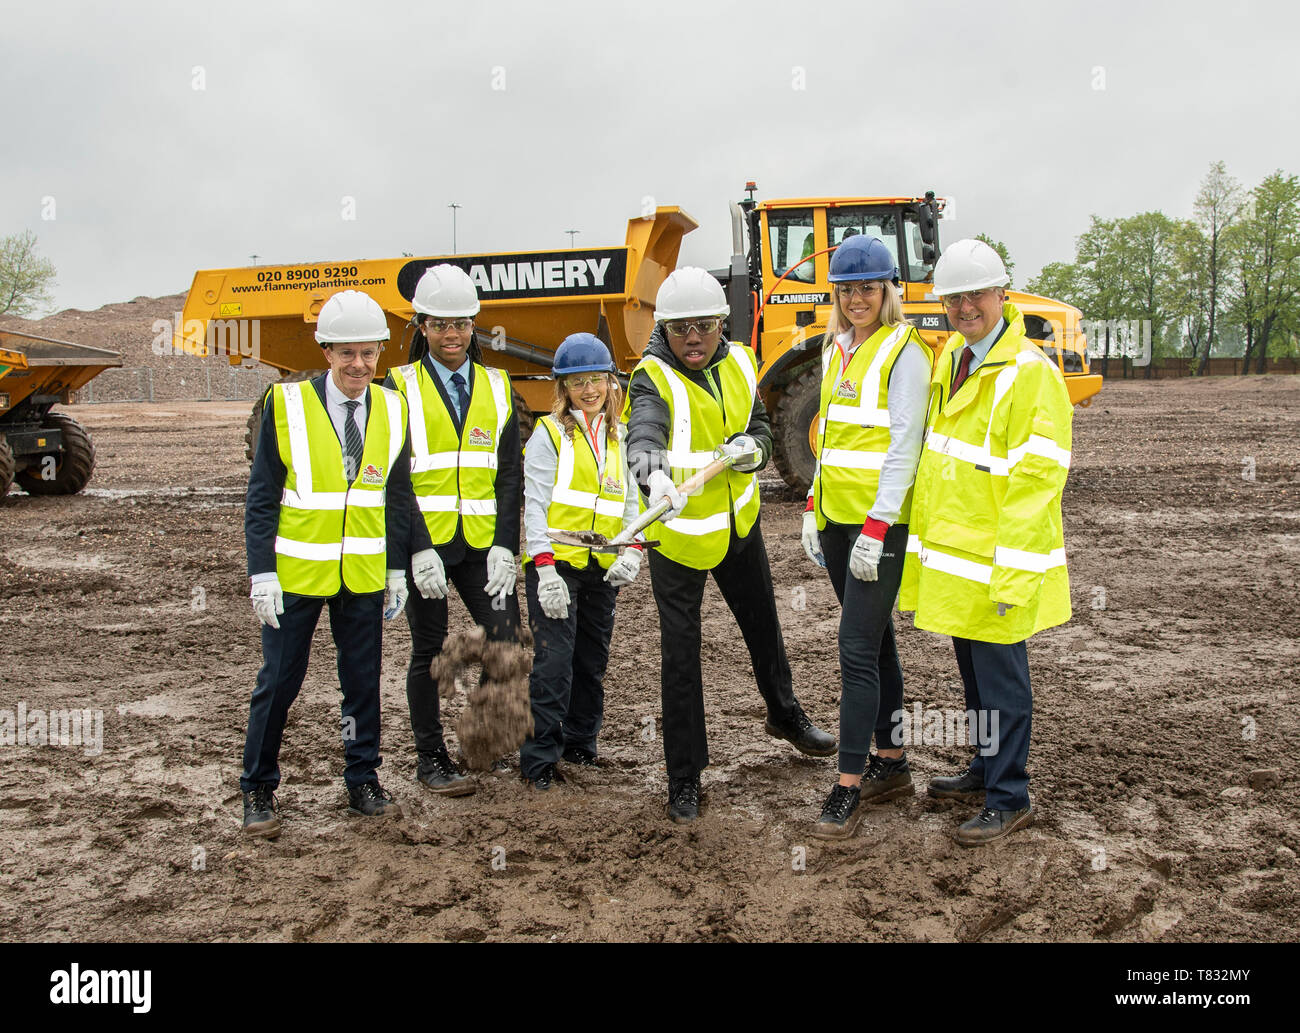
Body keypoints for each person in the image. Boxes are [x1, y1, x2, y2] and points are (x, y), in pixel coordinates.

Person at [625, 267, 836, 824]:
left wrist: (753, 449)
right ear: (663, 330)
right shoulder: (651, 377)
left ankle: (784, 715)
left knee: (764, 627)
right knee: (681, 657)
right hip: (680, 538)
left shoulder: (742, 361)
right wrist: (653, 475)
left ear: (721, 323)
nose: (693, 338)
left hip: (739, 527)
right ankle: (685, 775)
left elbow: (763, 428)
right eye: (680, 328)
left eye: (704, 325)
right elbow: (643, 433)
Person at [898, 238, 1074, 846]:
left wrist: (1015, 572)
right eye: (954, 297)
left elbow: (1037, 481)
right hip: (958, 556)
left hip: (1001, 559)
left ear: (1002, 294)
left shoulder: (1030, 373)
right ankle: (983, 768)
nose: (965, 306)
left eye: (976, 294)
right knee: (974, 677)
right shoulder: (954, 357)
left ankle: (1010, 796)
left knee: (1003, 683)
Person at [240, 289, 414, 836]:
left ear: (381, 352)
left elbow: (397, 495)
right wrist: (261, 572)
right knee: (280, 683)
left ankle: (362, 778)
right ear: (326, 352)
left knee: (362, 681)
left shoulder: (392, 405)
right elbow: (263, 496)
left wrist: (396, 568)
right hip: (296, 575)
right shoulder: (285, 405)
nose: (359, 365)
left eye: (369, 353)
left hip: (361, 574)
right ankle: (258, 789)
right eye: (347, 354)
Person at [799, 236, 932, 839]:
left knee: (854, 650)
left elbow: (904, 446)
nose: (857, 298)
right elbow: (830, 436)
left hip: (880, 525)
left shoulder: (906, 352)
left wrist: (878, 526)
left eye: (868, 288)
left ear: (888, 291)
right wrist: (811, 504)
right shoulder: (836, 348)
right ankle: (893, 762)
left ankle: (848, 784)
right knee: (876, 647)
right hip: (835, 519)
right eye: (847, 289)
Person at [385, 264, 522, 798]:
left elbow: (508, 474)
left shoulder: (497, 385)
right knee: (429, 652)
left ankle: (481, 741)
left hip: (483, 545)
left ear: (474, 326)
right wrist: (417, 548)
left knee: (507, 643)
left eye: (462, 324)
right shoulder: (397, 388)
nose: (452, 334)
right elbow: (396, 478)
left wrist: (506, 545)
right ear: (422, 326)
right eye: (440, 324)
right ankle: (430, 758)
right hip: (429, 547)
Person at [518, 333, 643, 789]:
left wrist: (632, 548)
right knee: (554, 662)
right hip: (558, 566)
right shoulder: (549, 435)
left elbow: (632, 501)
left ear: (610, 382)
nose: (588, 390)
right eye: (576, 382)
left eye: (596, 380)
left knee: (592, 661)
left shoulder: (621, 434)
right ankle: (538, 761)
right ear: (563, 389)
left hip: (601, 567)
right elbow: (534, 506)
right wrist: (544, 567)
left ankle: (581, 745)